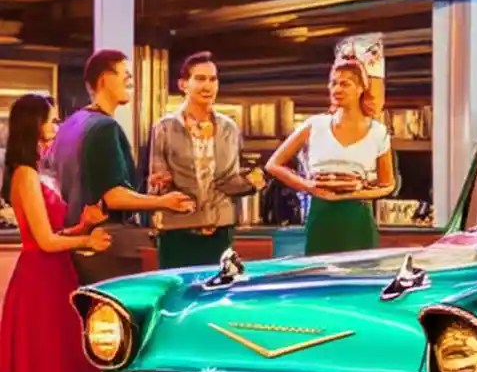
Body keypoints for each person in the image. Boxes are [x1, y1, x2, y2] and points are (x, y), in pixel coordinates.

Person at [0, 94, 111, 372]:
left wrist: (83, 223)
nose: (57, 123)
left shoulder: (35, 173)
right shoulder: (26, 175)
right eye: (50, 119)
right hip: (39, 279)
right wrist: (87, 239)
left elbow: (54, 233)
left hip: (51, 277)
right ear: (35, 125)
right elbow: (45, 241)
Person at [46, 49, 194, 282]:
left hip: (77, 246)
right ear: (104, 79)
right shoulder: (105, 127)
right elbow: (114, 196)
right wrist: (164, 201)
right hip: (108, 245)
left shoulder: (71, 125)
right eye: (126, 76)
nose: (131, 82)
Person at [264, 59, 397, 255]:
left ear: (361, 88)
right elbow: (273, 164)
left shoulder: (378, 132)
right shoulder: (315, 125)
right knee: (319, 278)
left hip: (356, 219)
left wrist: (353, 194)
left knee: (359, 280)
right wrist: (307, 186)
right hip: (321, 215)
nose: (337, 89)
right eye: (333, 83)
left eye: (345, 84)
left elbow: (388, 185)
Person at [147, 51, 264, 268]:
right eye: (200, 79)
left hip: (220, 230)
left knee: (217, 292)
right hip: (177, 231)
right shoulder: (164, 127)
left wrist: (254, 182)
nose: (207, 86)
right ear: (183, 84)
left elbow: (229, 181)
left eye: (213, 79)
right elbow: (158, 184)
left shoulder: (229, 128)